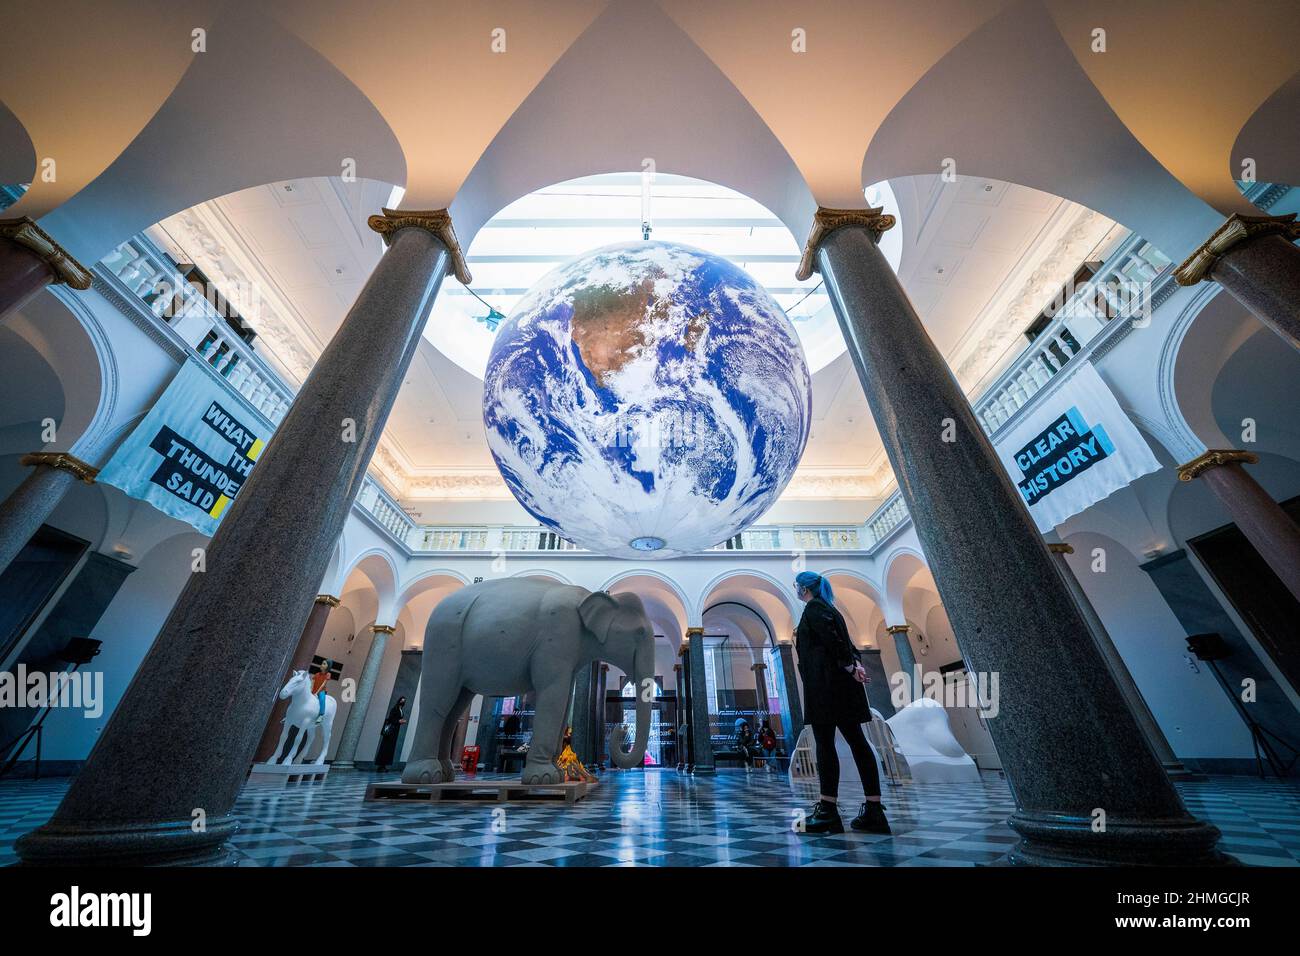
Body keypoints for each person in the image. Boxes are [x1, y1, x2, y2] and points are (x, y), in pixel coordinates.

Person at [793, 570, 890, 835]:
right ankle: (874, 809)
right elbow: (847, 644)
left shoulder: (814, 608)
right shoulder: (829, 608)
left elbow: (834, 642)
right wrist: (854, 664)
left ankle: (828, 811)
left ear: (804, 589)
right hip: (841, 687)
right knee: (858, 742)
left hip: (827, 688)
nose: (796, 590)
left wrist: (849, 666)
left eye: (796, 586)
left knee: (825, 745)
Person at [373, 696, 407, 773]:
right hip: (390, 731)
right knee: (385, 747)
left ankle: (384, 765)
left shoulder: (400, 710)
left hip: (395, 731)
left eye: (404, 701)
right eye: (402, 701)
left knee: (390, 748)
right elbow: (391, 719)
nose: (403, 702)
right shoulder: (394, 709)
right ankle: (381, 765)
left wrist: (400, 721)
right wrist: (399, 721)